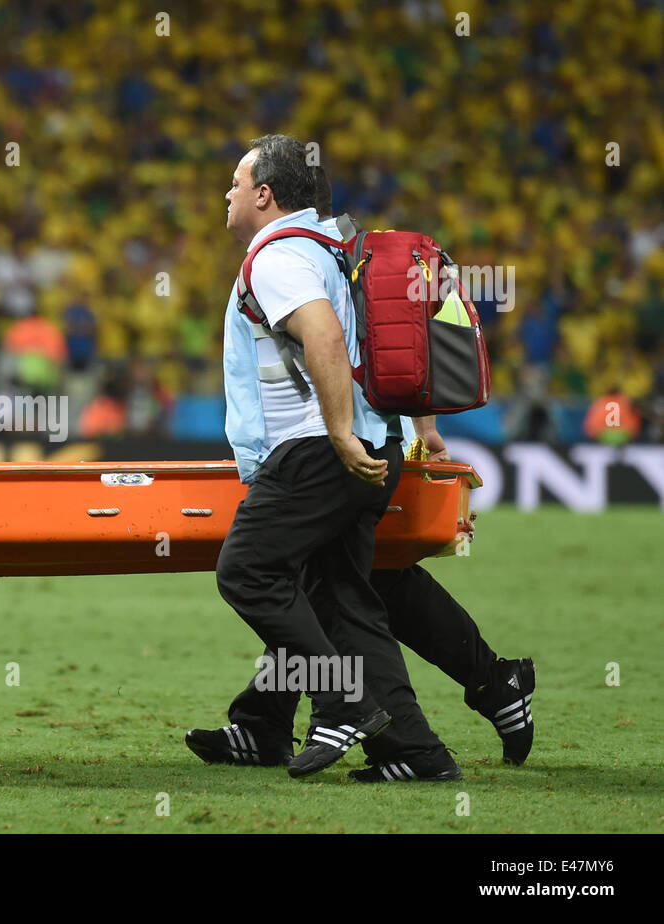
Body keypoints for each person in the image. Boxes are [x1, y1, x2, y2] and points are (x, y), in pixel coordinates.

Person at [187, 167, 536, 778]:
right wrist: (420, 427)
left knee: (251, 572)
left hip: (321, 447)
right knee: (349, 597)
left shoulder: (279, 258)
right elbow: (398, 337)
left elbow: (321, 332)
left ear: (265, 194)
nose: (228, 192)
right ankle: (408, 750)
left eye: (237, 182)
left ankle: (341, 705)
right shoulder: (344, 249)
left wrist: (341, 432)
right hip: (371, 441)